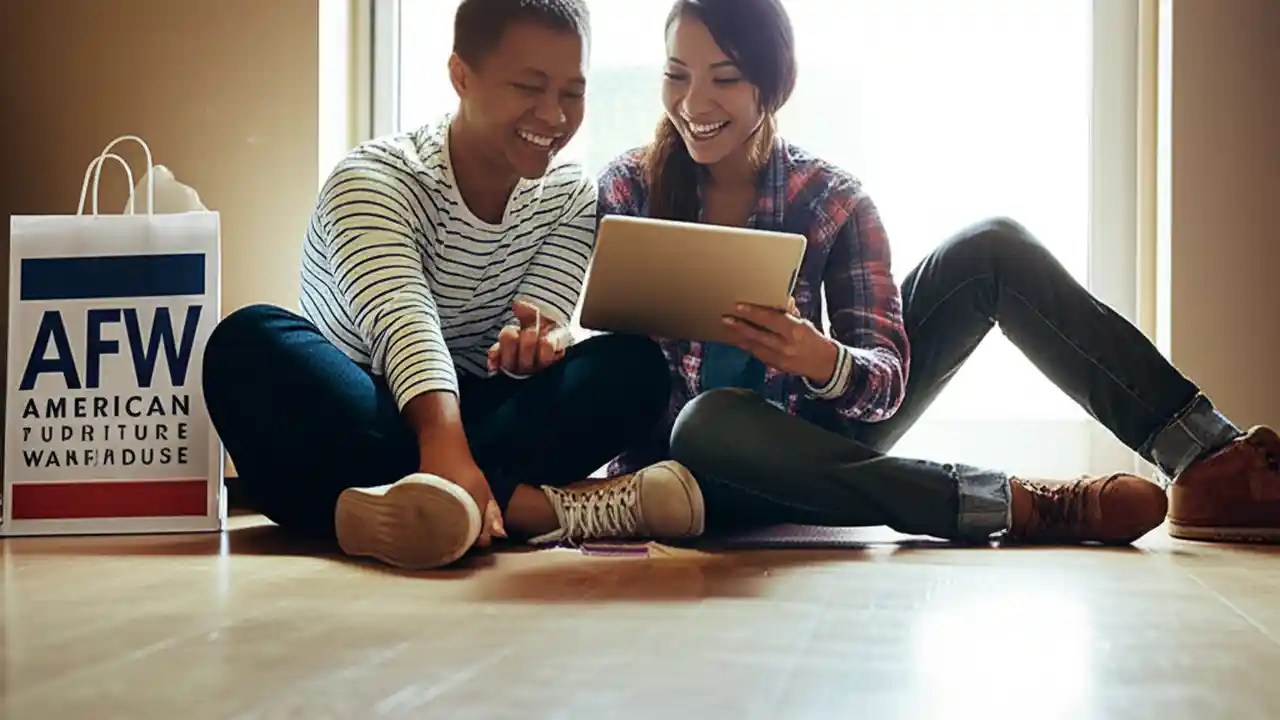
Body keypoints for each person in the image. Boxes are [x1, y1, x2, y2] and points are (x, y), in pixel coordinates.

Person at [598, 0, 1280, 545]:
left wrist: (823, 360)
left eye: (724, 78)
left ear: (772, 86)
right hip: (688, 475)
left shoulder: (831, 200)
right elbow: (602, 368)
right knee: (705, 421)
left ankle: (1209, 460)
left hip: (823, 443)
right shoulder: (629, 188)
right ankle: (1012, 503)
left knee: (991, 247)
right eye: (675, 74)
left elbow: (884, 385)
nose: (693, 102)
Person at [201, 0, 705, 571]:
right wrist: (444, 449)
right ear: (461, 75)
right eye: (529, 87)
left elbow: (536, 326)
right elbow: (404, 324)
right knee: (247, 343)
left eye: (572, 93)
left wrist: (528, 356)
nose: (554, 116)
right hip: (367, 403)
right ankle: (530, 510)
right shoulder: (373, 181)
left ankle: (389, 511)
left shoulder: (569, 195)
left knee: (633, 366)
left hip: (477, 410)